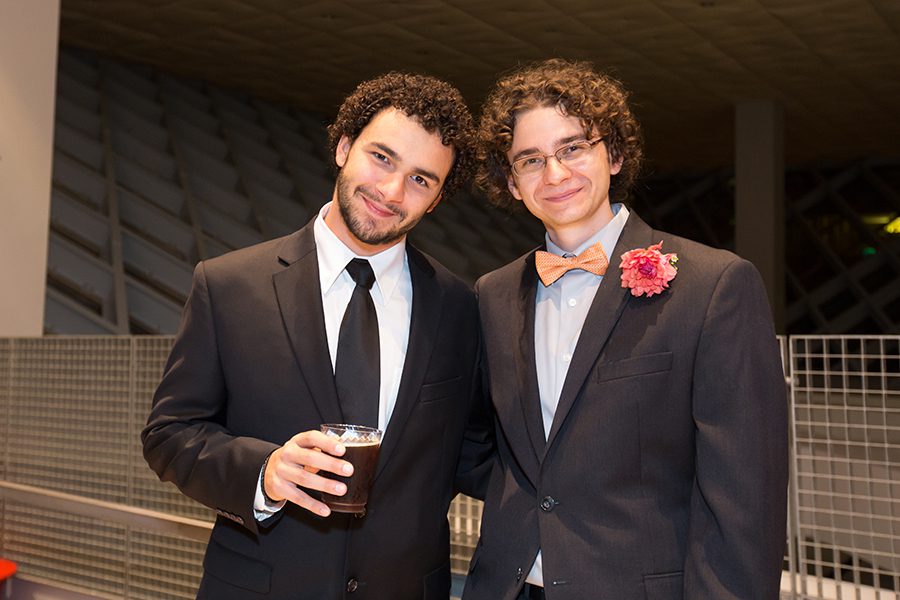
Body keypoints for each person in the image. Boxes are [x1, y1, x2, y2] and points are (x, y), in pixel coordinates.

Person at [142, 72, 491, 599]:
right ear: (344, 147)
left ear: (437, 199)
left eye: (422, 180)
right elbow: (170, 434)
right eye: (382, 158)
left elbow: (473, 452)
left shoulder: (461, 307)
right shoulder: (229, 285)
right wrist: (265, 471)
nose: (392, 191)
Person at [463, 59, 788, 600]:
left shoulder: (714, 285)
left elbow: (744, 496)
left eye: (573, 148)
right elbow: (477, 445)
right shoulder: (492, 294)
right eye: (530, 160)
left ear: (613, 155)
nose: (556, 175)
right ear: (512, 184)